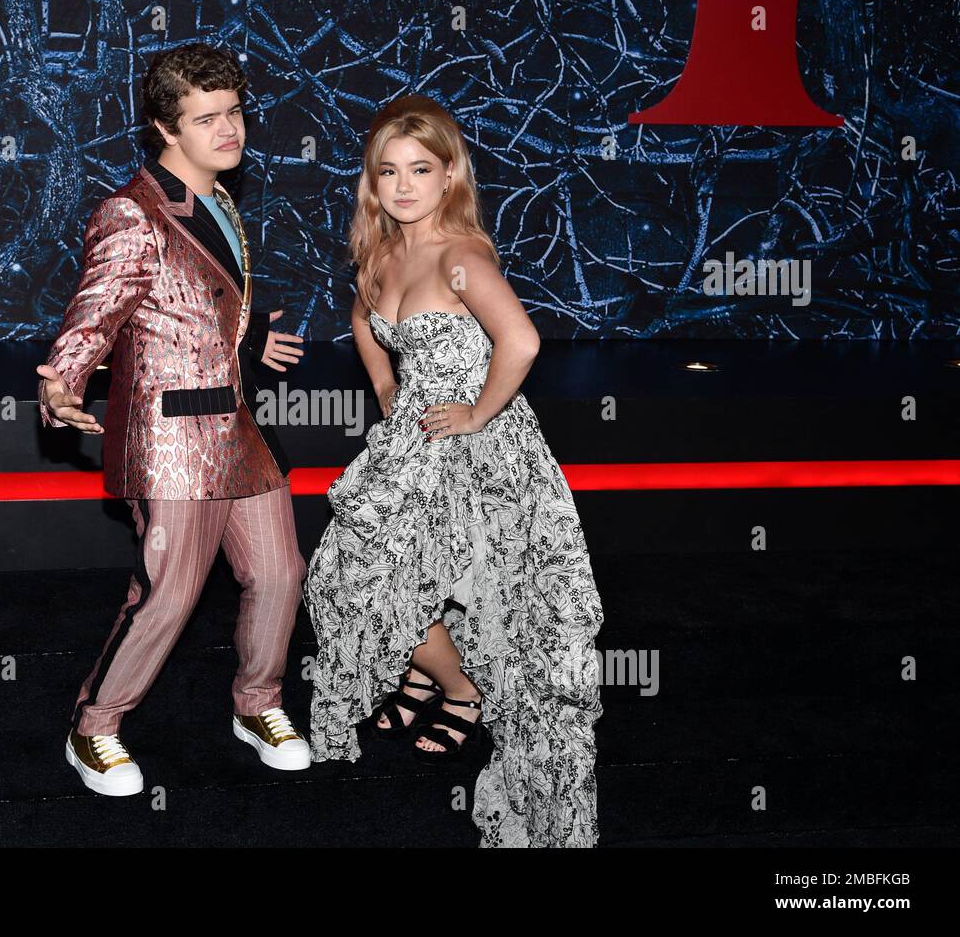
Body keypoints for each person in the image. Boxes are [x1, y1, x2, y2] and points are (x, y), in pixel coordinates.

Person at [302, 94, 605, 847]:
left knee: (472, 593)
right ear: (373, 183)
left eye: (421, 170)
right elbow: (368, 322)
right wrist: (389, 397)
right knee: (350, 575)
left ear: (448, 177)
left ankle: (462, 688)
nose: (403, 185)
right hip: (416, 443)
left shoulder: (460, 255)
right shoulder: (382, 253)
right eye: (388, 171)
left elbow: (524, 343)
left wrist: (475, 411)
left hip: (482, 452)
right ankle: (434, 675)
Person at [37, 42, 310, 797]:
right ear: (165, 129)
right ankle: (94, 727)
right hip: (172, 441)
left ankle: (258, 705)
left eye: (235, 113)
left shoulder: (221, 199)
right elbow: (98, 311)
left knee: (282, 573)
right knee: (170, 591)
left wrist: (251, 338)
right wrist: (63, 381)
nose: (230, 130)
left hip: (239, 429)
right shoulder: (131, 212)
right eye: (208, 119)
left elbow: (200, 296)